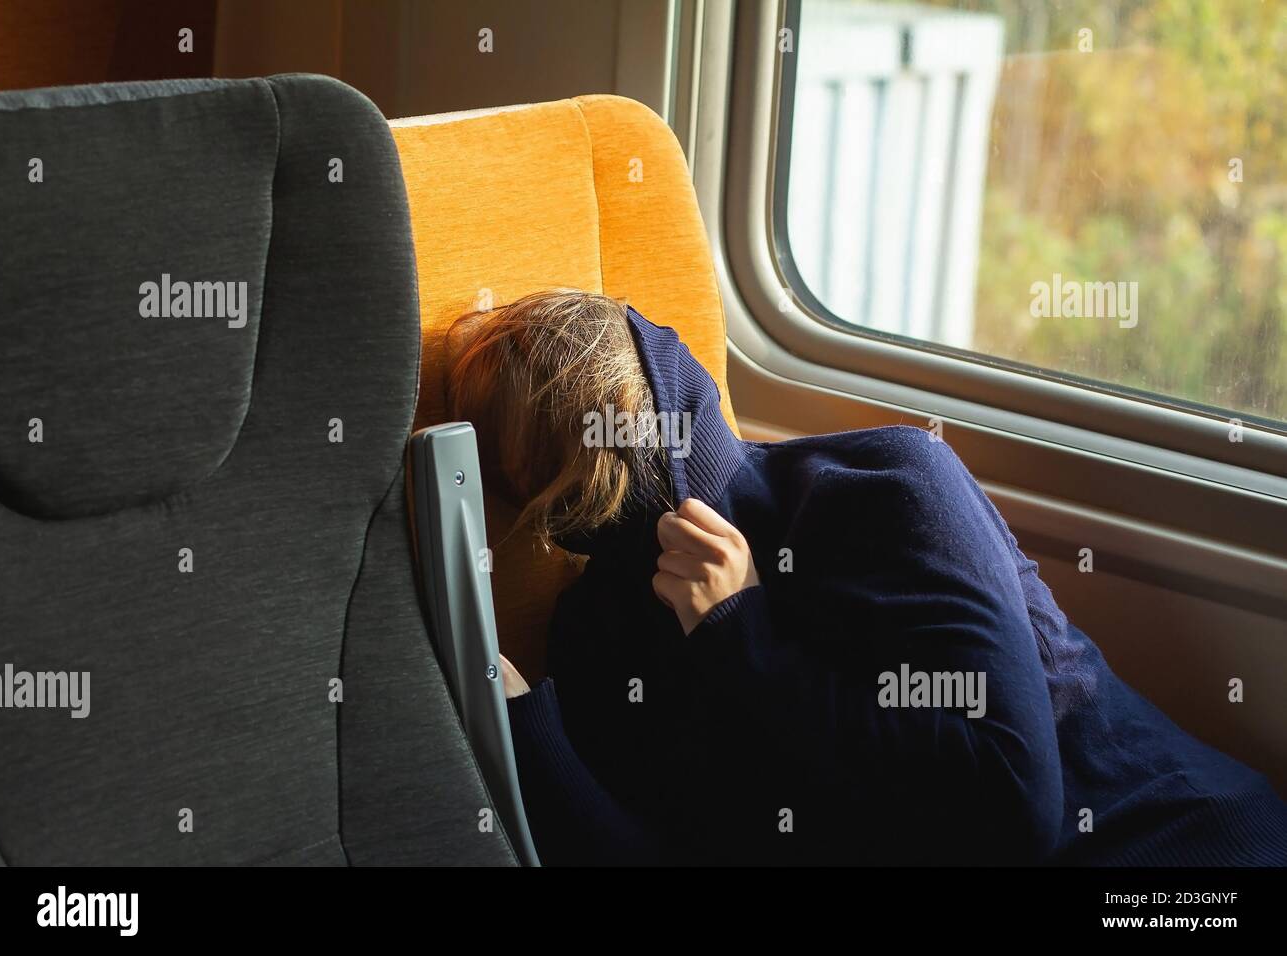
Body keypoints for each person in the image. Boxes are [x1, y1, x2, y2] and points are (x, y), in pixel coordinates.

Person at [447, 289, 1287, 866]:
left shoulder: (890, 489)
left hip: (1170, 846)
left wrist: (743, 633)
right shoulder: (606, 637)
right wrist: (521, 725)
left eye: (565, 478)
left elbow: (1009, 806)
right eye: (522, 488)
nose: (550, 519)